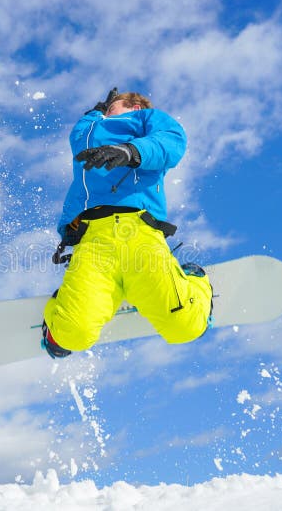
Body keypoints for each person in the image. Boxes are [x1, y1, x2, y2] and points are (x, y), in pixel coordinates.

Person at [41, 87, 213, 358]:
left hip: (140, 235)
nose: (109, 110)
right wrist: (97, 111)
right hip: (93, 241)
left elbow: (172, 141)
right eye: (107, 108)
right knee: (71, 335)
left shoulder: (145, 120)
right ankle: (58, 323)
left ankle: (195, 280)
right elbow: (79, 136)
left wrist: (130, 151)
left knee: (185, 328)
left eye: (115, 106)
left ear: (135, 106)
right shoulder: (92, 128)